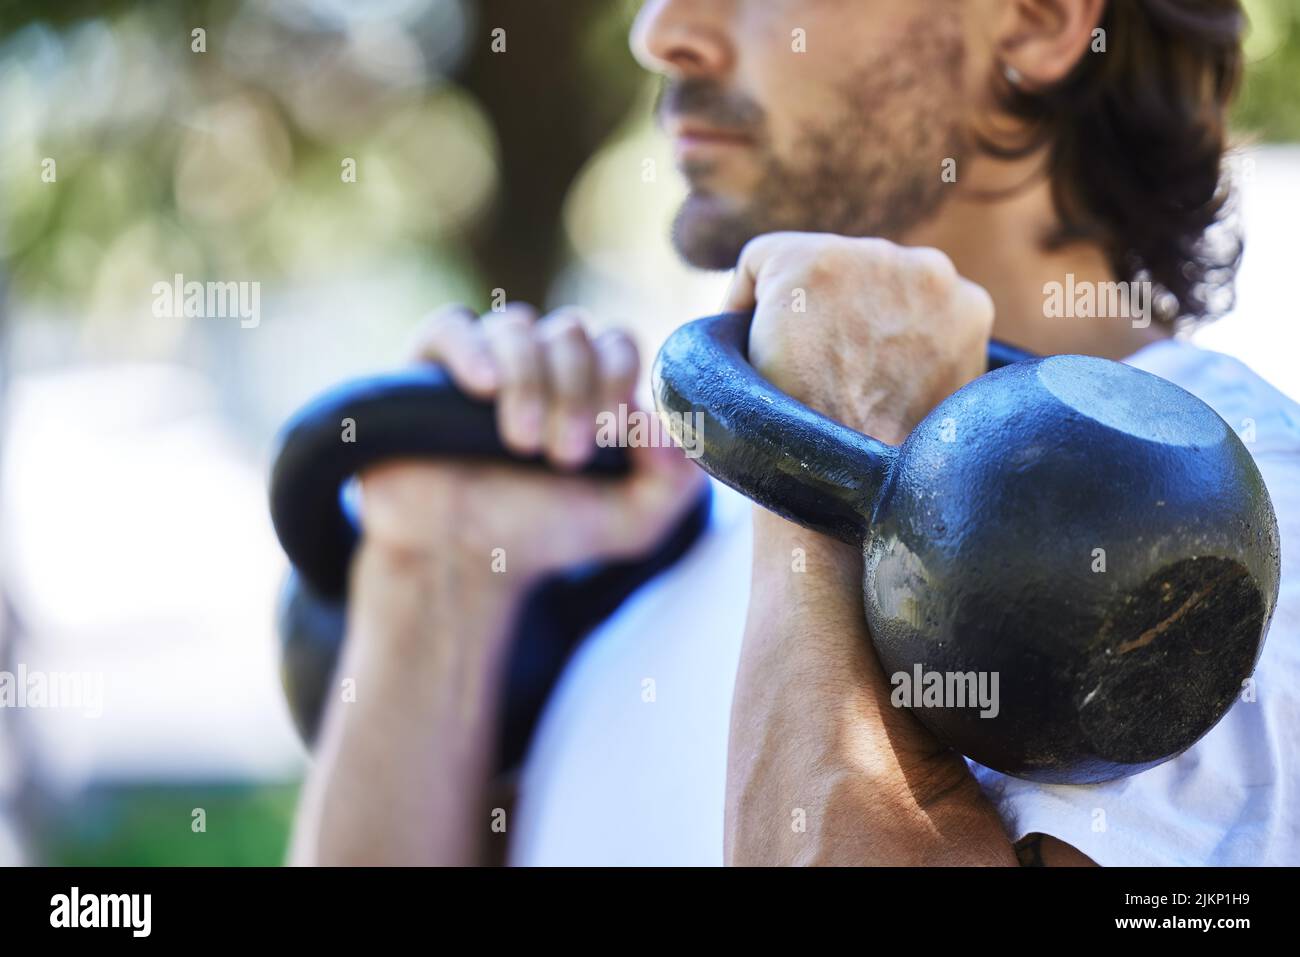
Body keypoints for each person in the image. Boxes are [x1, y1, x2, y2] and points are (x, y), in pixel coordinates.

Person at [289, 0, 1300, 866]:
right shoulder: (672, 577)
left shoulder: (1238, 533)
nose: (661, 32)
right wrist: (439, 576)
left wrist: (815, 438)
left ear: (1037, 19)